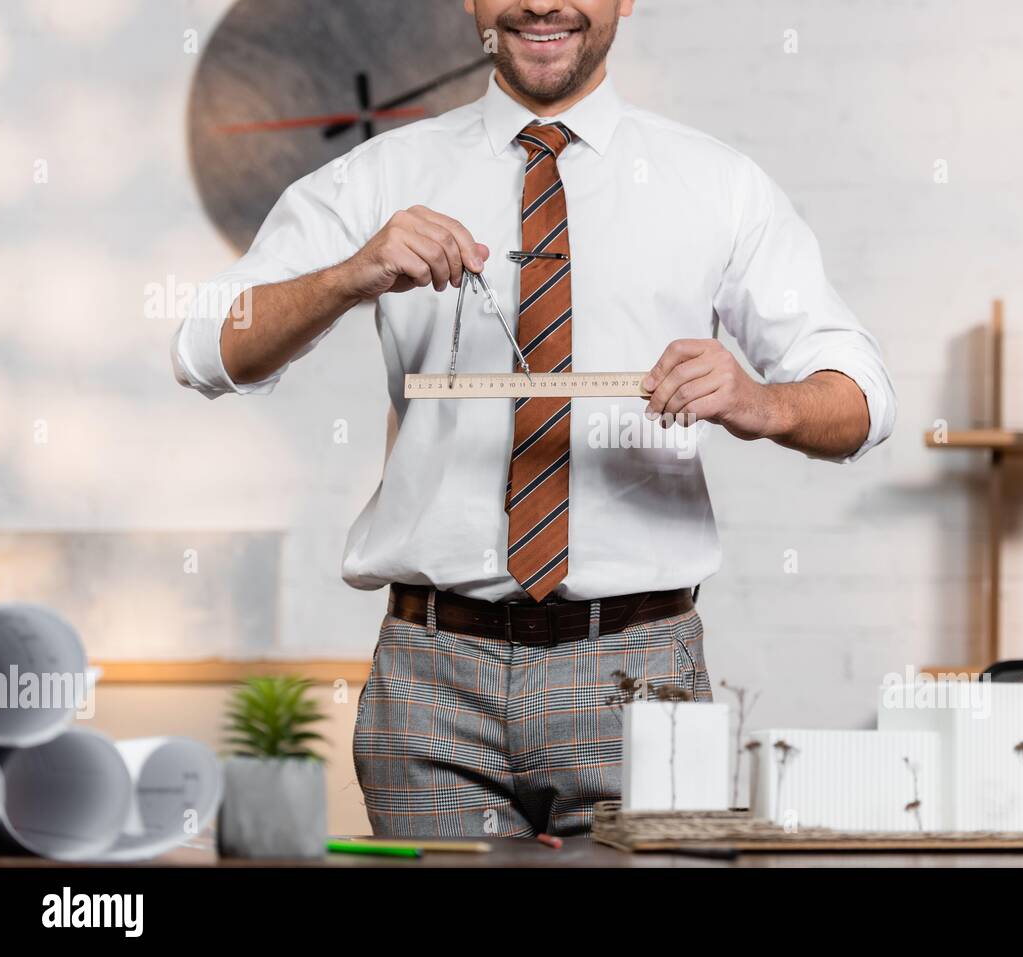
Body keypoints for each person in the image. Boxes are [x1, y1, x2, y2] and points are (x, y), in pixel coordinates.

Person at [172, 0, 896, 837]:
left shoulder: (718, 185)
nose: (543, 3)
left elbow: (866, 398)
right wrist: (350, 273)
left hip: (641, 676)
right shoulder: (378, 178)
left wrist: (761, 401)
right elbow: (201, 349)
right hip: (431, 682)